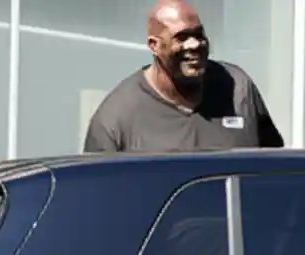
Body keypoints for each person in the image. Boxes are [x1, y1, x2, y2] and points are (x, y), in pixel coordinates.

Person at [83, 0, 284, 153]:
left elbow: (275, 169)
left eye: (199, 35)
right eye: (181, 37)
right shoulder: (117, 117)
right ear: (154, 45)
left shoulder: (238, 88)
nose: (194, 44)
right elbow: (98, 196)